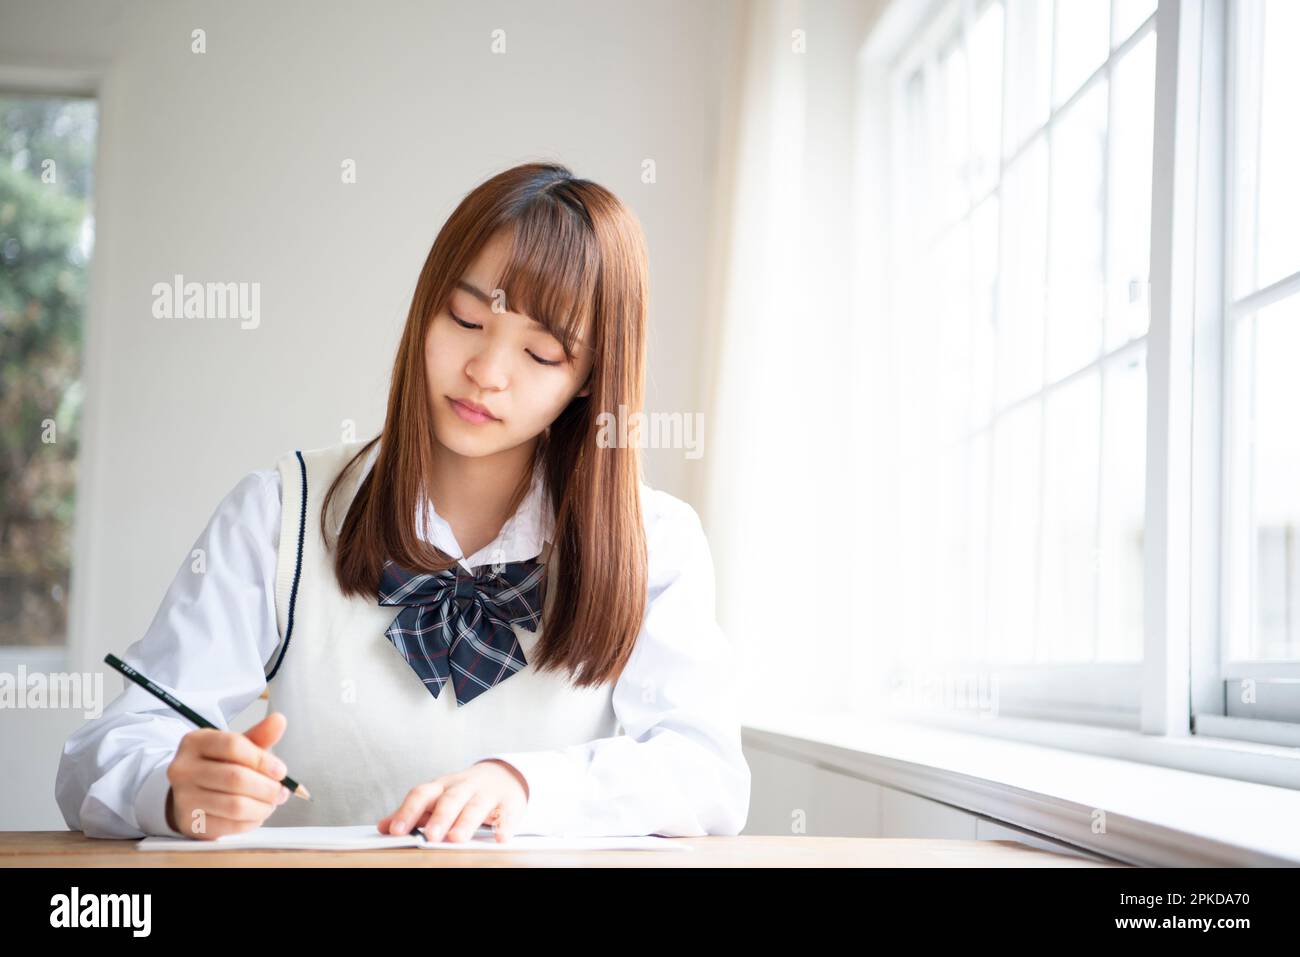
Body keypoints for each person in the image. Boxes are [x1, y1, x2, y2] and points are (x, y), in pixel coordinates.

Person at [54, 161, 751, 843]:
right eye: (465, 318)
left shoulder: (654, 540)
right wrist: (175, 790)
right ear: (425, 306)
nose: (486, 372)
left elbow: (707, 772)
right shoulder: (278, 514)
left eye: (541, 354)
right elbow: (105, 751)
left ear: (590, 380)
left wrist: (526, 785)